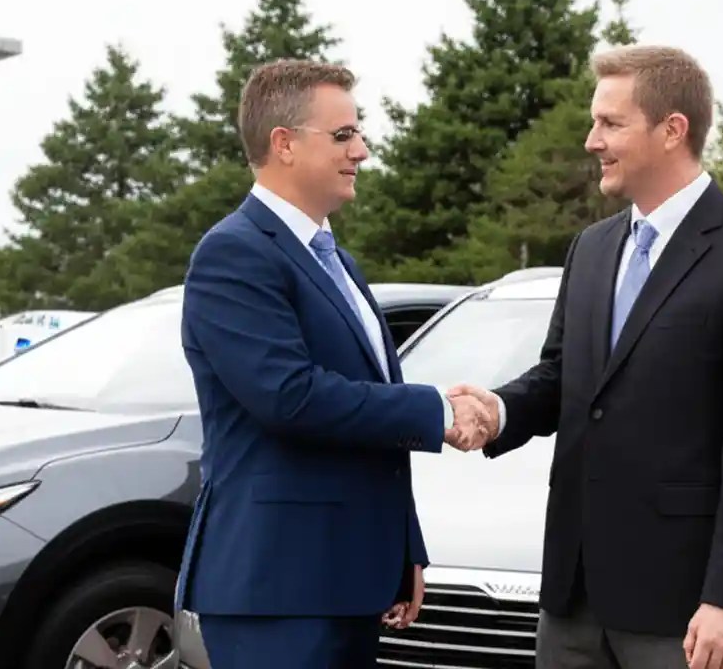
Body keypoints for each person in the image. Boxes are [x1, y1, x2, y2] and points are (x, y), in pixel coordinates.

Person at [450, 45, 723, 669]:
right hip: (571, 603)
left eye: (610, 123)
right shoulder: (591, 248)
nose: (592, 140)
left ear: (673, 129)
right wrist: (500, 411)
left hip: (687, 613)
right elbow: (568, 374)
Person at [174, 59, 493, 668]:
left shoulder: (334, 259)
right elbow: (289, 395)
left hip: (348, 581)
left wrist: (405, 547)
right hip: (277, 590)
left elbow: (366, 410)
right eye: (344, 135)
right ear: (284, 144)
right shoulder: (232, 254)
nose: (363, 151)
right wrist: (434, 408)